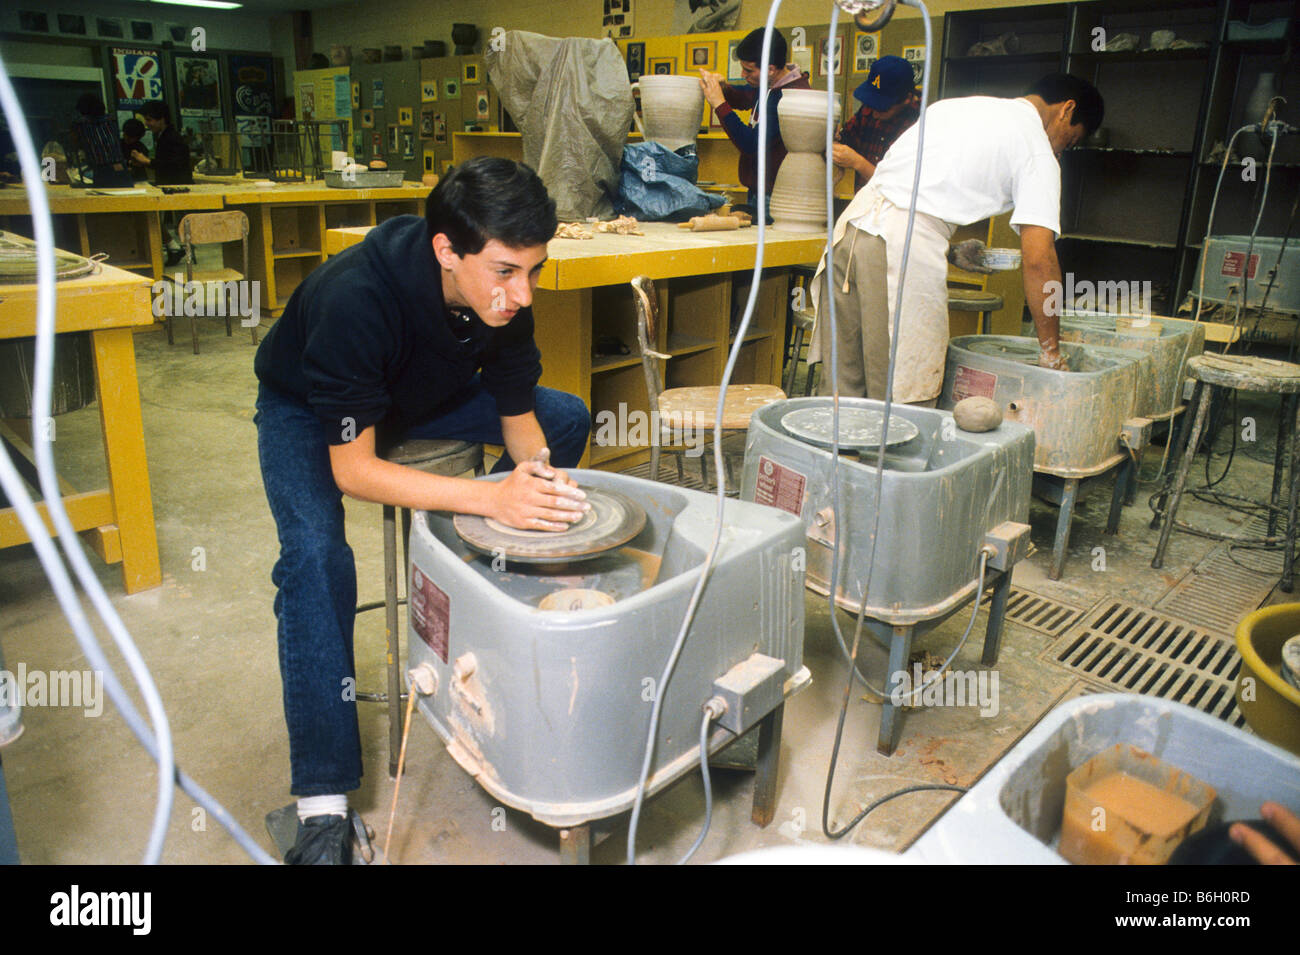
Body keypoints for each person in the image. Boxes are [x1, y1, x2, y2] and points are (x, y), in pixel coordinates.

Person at [253, 157, 592, 864]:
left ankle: (462, 575)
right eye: (506, 271)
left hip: (417, 392)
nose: (522, 294)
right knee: (315, 559)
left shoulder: (502, 293)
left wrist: (536, 486)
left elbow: (522, 419)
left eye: (534, 269)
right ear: (447, 250)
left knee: (567, 420)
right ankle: (321, 807)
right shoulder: (357, 298)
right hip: (308, 410)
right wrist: (491, 498)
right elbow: (354, 470)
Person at [816, 73, 1104, 404]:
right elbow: (1040, 259)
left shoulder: (958, 108)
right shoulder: (1036, 149)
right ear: (1067, 110)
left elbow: (905, 192)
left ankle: (833, 456)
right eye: (1070, 140)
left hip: (849, 236)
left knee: (843, 396)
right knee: (901, 402)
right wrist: (1050, 350)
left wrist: (948, 252)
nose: (1062, 149)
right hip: (894, 254)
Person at [698, 28, 811, 205]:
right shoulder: (770, 85)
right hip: (761, 190)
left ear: (770, 69)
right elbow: (746, 96)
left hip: (776, 197)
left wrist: (719, 103)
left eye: (748, 70)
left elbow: (751, 143)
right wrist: (724, 88)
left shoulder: (789, 97)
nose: (743, 75)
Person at [832, 56, 921, 192]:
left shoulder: (920, 127)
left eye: (881, 108)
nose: (874, 114)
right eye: (871, 104)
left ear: (907, 99)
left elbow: (900, 188)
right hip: (864, 202)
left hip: (895, 208)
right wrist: (834, 136)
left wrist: (858, 163)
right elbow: (845, 139)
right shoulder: (868, 111)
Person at [69, 94, 132, 189]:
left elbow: (75, 141)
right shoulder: (111, 121)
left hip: (102, 170)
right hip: (120, 167)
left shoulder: (82, 124)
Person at [132, 101, 192, 186]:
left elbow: (174, 165)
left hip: (177, 187)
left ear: (162, 119)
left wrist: (147, 161)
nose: (146, 123)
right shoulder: (163, 136)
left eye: (149, 119)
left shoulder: (172, 138)